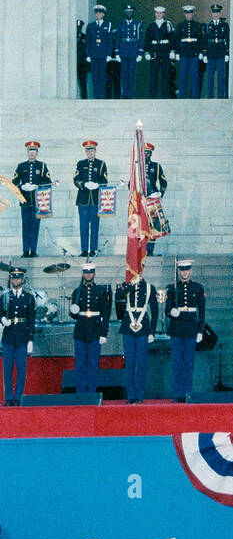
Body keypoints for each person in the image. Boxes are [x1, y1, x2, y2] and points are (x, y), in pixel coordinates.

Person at [115, 269, 157, 404]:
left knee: (142, 363)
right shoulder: (126, 285)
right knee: (130, 363)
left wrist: (152, 331)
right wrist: (131, 284)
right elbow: (119, 296)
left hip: (143, 327)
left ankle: (140, 395)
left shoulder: (150, 288)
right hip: (128, 327)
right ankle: (131, 395)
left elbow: (155, 311)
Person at [165, 260, 206, 402]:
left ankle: (188, 393)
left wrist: (200, 330)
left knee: (189, 363)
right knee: (177, 363)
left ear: (191, 271)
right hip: (176, 329)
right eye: (182, 270)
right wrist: (171, 312)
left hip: (191, 329)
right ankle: (178, 394)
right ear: (178, 271)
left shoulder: (198, 288)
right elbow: (166, 310)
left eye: (187, 270)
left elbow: (202, 311)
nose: (184, 272)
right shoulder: (172, 288)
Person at [69, 265, 111, 396]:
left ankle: (92, 392)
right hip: (81, 330)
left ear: (94, 274)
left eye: (90, 272)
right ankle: (81, 393)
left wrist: (104, 332)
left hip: (95, 330)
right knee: (80, 364)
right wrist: (73, 311)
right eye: (86, 273)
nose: (88, 275)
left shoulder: (100, 291)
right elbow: (74, 315)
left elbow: (106, 312)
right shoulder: (77, 291)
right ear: (82, 274)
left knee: (93, 364)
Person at [1, 267, 35, 406]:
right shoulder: (4, 297)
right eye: (14, 278)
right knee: (7, 369)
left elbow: (31, 320)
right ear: (11, 279)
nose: (16, 280)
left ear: (22, 279)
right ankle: (9, 398)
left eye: (18, 278)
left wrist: (30, 340)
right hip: (9, 337)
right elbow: (0, 311)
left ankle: (19, 397)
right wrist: (2, 319)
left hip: (22, 337)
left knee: (21, 370)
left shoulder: (28, 298)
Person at [11, 140, 52, 257]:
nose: (31, 153)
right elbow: (14, 182)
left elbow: (48, 182)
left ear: (37, 152)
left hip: (37, 202)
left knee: (35, 226)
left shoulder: (42, 166)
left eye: (34, 151)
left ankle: (33, 250)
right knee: (25, 226)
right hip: (24, 201)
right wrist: (22, 186)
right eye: (29, 150)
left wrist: (36, 186)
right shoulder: (21, 166)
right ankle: (25, 251)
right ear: (27, 152)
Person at [73, 139, 108, 257]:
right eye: (88, 150)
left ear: (95, 151)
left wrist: (98, 185)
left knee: (94, 225)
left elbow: (105, 181)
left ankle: (93, 249)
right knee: (83, 225)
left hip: (95, 199)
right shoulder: (80, 164)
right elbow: (76, 179)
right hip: (83, 199)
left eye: (92, 150)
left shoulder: (101, 164)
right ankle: (84, 249)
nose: (90, 152)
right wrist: (83, 184)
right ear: (85, 151)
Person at [173, 4, 202, 100]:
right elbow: (177, 40)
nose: (188, 15)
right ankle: (182, 97)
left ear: (192, 14)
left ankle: (195, 97)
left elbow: (200, 40)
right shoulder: (180, 26)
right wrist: (176, 52)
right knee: (183, 77)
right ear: (184, 14)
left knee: (195, 77)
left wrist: (201, 52)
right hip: (184, 53)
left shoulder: (197, 25)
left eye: (190, 13)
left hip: (194, 53)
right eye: (186, 13)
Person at [84, 4, 114, 98]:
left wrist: (109, 54)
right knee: (94, 76)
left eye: (100, 13)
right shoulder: (90, 26)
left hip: (103, 54)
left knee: (102, 75)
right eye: (96, 13)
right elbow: (88, 41)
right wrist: (88, 55)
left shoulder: (107, 25)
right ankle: (96, 95)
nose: (98, 15)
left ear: (103, 14)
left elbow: (110, 41)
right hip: (94, 54)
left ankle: (102, 94)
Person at [144, 6, 174, 97]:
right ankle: (153, 96)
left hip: (165, 50)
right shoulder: (151, 25)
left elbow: (172, 38)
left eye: (160, 13)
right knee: (154, 73)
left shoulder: (168, 24)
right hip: (154, 50)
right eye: (157, 13)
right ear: (155, 14)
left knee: (165, 74)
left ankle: (165, 96)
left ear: (163, 14)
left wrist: (172, 50)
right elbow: (147, 39)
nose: (159, 14)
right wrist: (146, 52)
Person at [143, 143, 167, 256]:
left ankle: (150, 250)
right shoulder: (137, 167)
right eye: (144, 152)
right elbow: (130, 184)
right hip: (141, 200)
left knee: (154, 226)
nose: (146, 154)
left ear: (151, 154)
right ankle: (142, 250)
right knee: (142, 225)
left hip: (153, 200)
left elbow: (164, 182)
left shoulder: (156, 166)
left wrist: (160, 193)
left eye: (148, 152)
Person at [202, 4, 231, 98]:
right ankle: (210, 97)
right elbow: (205, 40)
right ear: (212, 13)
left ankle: (221, 97)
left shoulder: (224, 25)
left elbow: (227, 39)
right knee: (210, 77)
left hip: (221, 53)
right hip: (211, 54)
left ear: (219, 13)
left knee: (221, 77)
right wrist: (205, 54)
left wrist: (227, 53)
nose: (215, 14)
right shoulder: (208, 26)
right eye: (214, 12)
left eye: (217, 12)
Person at [115, 5, 143, 98]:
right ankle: (124, 93)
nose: (128, 13)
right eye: (127, 12)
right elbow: (117, 39)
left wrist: (140, 52)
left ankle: (131, 93)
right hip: (123, 51)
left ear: (133, 13)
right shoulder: (120, 24)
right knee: (124, 74)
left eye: (130, 12)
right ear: (124, 13)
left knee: (131, 73)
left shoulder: (137, 24)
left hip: (133, 51)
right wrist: (117, 52)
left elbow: (140, 39)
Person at [76, 19, 88, 99]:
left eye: (79, 27)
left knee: (83, 82)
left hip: (82, 63)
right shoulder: (71, 37)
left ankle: (84, 97)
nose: (78, 29)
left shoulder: (85, 37)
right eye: (77, 27)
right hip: (74, 62)